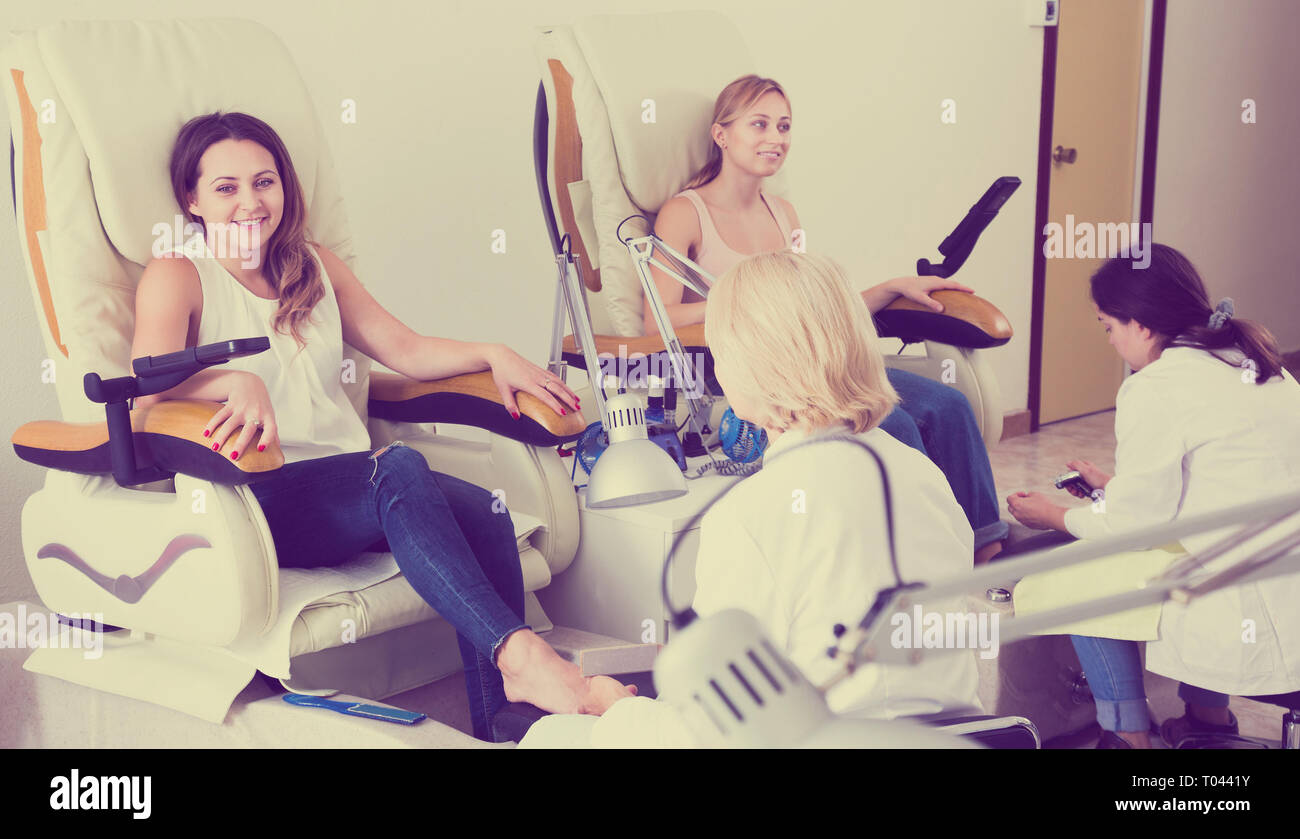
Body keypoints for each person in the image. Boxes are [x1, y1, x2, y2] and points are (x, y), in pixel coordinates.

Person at [133, 111, 633, 742]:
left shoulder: (312, 265)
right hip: (259, 499)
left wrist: (493, 352)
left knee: (488, 512)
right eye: (226, 188)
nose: (250, 202)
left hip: (350, 488)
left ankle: (503, 722)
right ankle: (522, 658)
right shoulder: (179, 274)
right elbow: (142, 395)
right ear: (192, 198)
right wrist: (234, 380)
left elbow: (407, 348)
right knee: (395, 468)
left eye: (264, 182)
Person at [520, 252, 982, 747]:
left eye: (719, 351)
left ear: (752, 366)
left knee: (551, 734)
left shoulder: (748, 515)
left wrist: (618, 711)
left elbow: (715, 734)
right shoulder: (923, 474)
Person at [644, 74, 1007, 563]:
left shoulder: (785, 214)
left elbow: (810, 303)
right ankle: (916, 559)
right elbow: (657, 321)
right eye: (760, 124)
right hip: (742, 369)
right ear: (721, 134)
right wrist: (750, 298)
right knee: (890, 422)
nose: (776, 138)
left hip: (814, 361)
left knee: (947, 405)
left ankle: (984, 553)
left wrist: (893, 288)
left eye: (784, 126)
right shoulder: (685, 213)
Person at [1006, 244, 1300, 748]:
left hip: (1248, 595)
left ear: (1139, 325)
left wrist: (1056, 516)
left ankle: (1128, 739)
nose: (1112, 342)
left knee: (1070, 583)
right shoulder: (1257, 361)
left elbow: (1137, 529)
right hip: (1281, 569)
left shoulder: (1155, 386)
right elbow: (1219, 484)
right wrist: (1113, 488)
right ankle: (1208, 721)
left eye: (1108, 327)